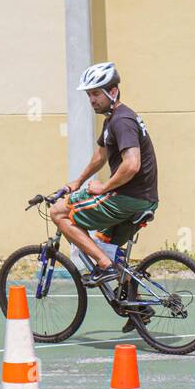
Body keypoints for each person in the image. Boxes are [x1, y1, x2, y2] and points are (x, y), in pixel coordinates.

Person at [50, 62, 159, 288]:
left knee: (59, 213)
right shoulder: (113, 119)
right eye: (89, 95)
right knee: (102, 244)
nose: (92, 100)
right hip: (140, 198)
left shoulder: (122, 121)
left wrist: (104, 186)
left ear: (113, 92)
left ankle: (105, 266)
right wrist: (77, 182)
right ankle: (135, 304)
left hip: (129, 197)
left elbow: (131, 165)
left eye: (96, 94)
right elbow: (100, 156)